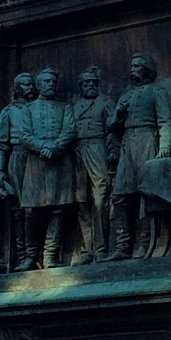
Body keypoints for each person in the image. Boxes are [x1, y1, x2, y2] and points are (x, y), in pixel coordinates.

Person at [107, 53, 171, 260]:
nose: (133, 69)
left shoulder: (156, 92)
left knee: (146, 195)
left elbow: (165, 121)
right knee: (120, 196)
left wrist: (164, 147)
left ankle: (145, 243)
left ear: (146, 68)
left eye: (137, 65)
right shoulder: (126, 96)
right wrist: (118, 114)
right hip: (128, 143)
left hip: (147, 140)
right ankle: (122, 245)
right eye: (132, 65)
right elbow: (111, 126)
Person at [18, 68, 77, 269]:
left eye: (53, 81)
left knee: (58, 210)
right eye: (47, 81)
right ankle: (31, 256)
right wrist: (42, 146)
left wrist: (54, 147)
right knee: (31, 211)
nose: (51, 84)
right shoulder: (28, 109)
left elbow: (70, 130)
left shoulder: (65, 107)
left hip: (60, 163)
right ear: (39, 85)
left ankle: (50, 255)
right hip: (36, 164)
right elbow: (24, 134)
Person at [0, 72, 37, 268]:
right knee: (20, 210)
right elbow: (0, 144)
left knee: (35, 208)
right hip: (17, 158)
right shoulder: (9, 112)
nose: (29, 87)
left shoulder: (38, 109)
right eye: (25, 84)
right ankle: (22, 255)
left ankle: (37, 254)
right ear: (16, 89)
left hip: (37, 158)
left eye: (30, 84)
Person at [69, 66, 113, 264]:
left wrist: (112, 151)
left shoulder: (105, 103)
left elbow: (113, 129)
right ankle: (87, 249)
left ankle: (102, 248)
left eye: (94, 83)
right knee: (81, 202)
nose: (91, 86)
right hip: (78, 152)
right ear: (81, 86)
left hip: (98, 149)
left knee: (100, 199)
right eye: (87, 83)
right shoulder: (74, 107)